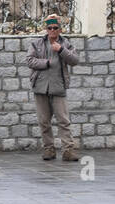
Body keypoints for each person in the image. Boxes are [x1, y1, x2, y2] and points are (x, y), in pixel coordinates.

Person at [26, 14, 81, 162]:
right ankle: (49, 149)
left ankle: (68, 150)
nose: (52, 30)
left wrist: (61, 50)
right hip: (40, 86)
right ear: (46, 29)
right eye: (49, 28)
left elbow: (75, 61)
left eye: (55, 28)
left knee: (63, 120)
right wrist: (46, 63)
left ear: (60, 29)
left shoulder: (66, 44)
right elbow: (30, 61)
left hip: (58, 87)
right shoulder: (37, 43)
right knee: (44, 121)